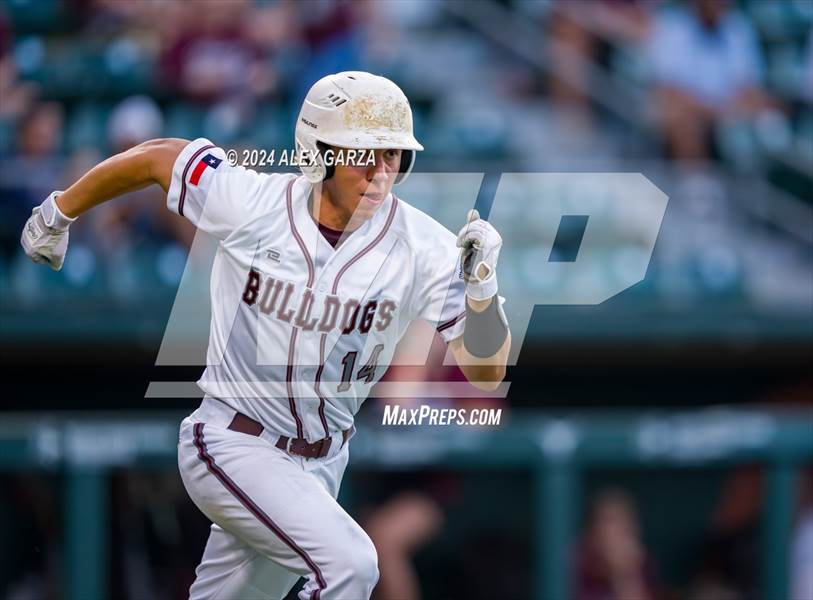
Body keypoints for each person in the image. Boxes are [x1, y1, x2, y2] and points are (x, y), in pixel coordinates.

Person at [20, 71, 511, 599]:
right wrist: (60, 209)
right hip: (233, 440)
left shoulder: (423, 246)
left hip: (321, 464)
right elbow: (157, 158)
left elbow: (487, 371)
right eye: (363, 153)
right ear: (319, 151)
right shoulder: (254, 200)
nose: (380, 171)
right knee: (352, 564)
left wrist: (481, 293)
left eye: (392, 154)